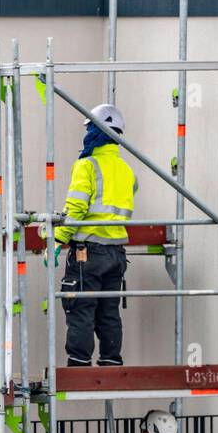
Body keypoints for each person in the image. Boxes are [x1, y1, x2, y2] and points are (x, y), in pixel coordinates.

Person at [54, 103, 137, 367]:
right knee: (109, 311)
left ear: (94, 131)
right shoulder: (126, 170)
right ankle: (111, 363)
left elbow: (76, 207)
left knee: (80, 308)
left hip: (87, 253)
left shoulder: (87, 166)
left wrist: (58, 239)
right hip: (116, 252)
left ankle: (79, 366)